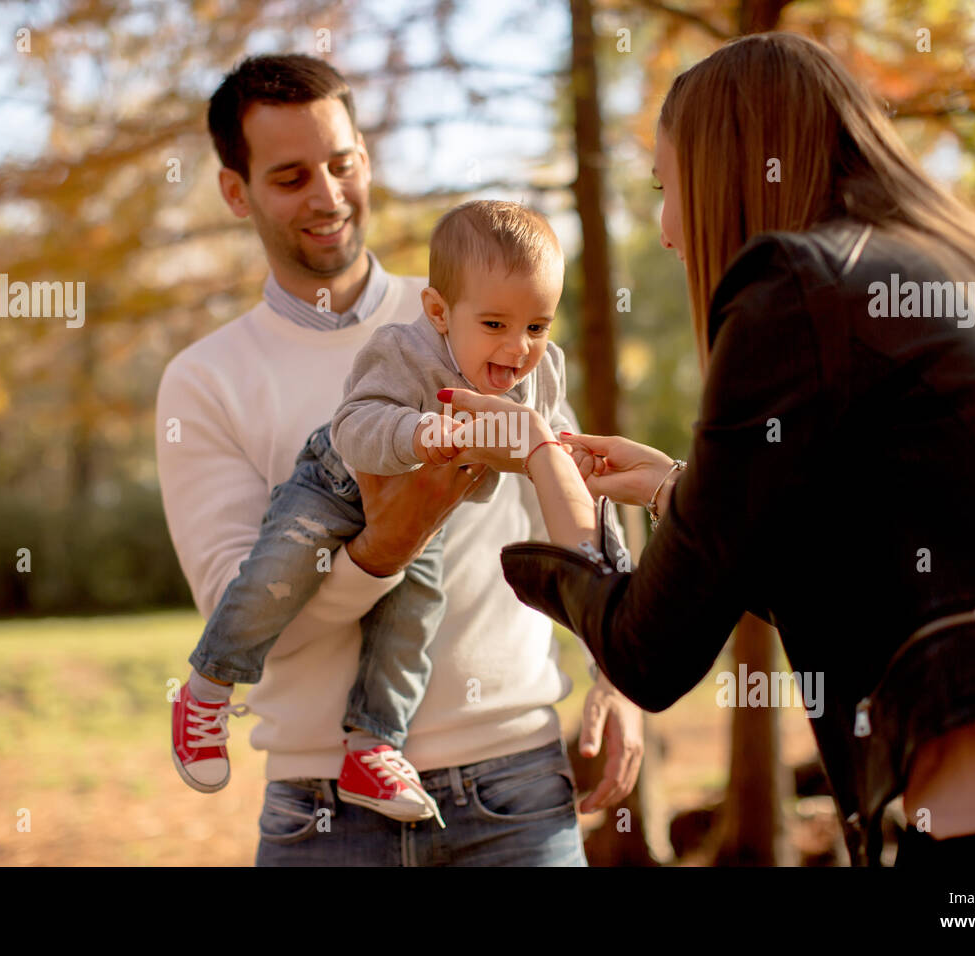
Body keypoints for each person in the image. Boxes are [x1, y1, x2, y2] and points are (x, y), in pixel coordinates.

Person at [442, 32, 975, 867]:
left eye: (667, 185)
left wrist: (543, 467)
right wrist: (673, 491)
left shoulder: (791, 285)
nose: (664, 228)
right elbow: (891, 559)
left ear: (728, 167)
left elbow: (649, 652)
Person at [155, 53, 643, 866]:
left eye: (342, 163)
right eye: (290, 176)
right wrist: (387, 544)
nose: (328, 195)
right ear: (235, 192)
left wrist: (616, 671)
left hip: (517, 790)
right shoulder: (204, 382)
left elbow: (577, 495)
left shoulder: (489, 311)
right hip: (321, 817)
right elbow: (246, 613)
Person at [173, 200, 575, 830]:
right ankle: (207, 687)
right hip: (334, 486)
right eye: (495, 324)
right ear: (440, 313)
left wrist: (574, 461)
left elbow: (548, 444)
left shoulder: (539, 374)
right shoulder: (403, 350)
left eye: (538, 326)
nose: (518, 347)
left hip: (424, 514)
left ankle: (372, 746)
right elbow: (354, 425)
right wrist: (417, 434)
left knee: (411, 621)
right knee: (279, 573)